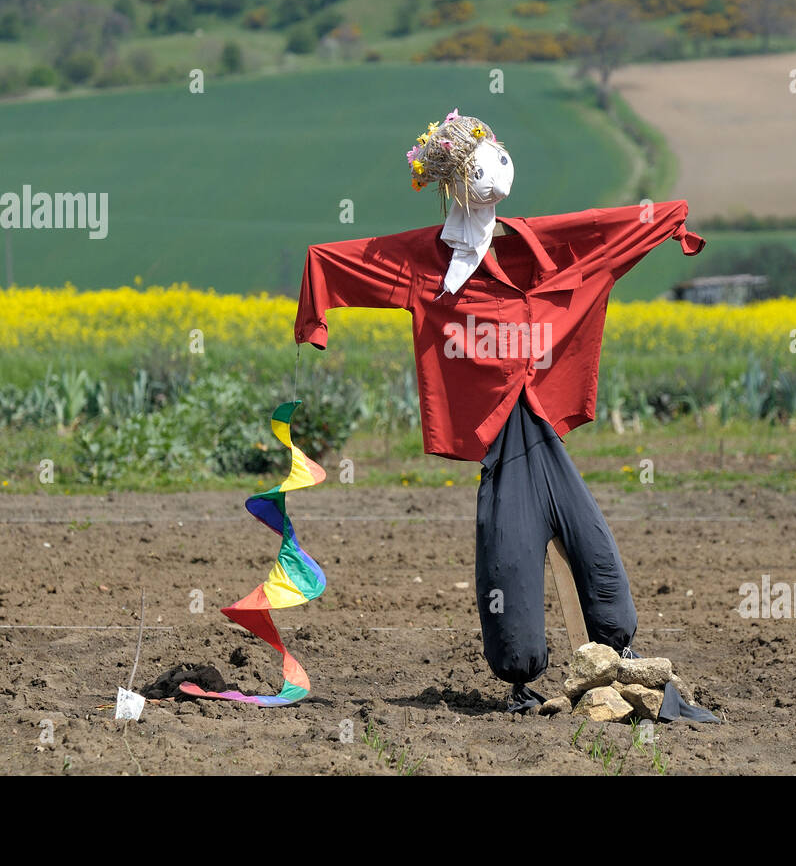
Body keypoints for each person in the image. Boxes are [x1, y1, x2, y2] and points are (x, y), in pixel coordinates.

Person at [295, 109, 716, 720]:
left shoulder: (557, 251)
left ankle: (615, 650)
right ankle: (523, 673)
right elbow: (346, 259)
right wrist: (319, 302)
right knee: (509, 558)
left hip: (539, 427)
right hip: (498, 437)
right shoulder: (428, 264)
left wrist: (666, 224)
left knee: (590, 547)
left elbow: (611, 228)